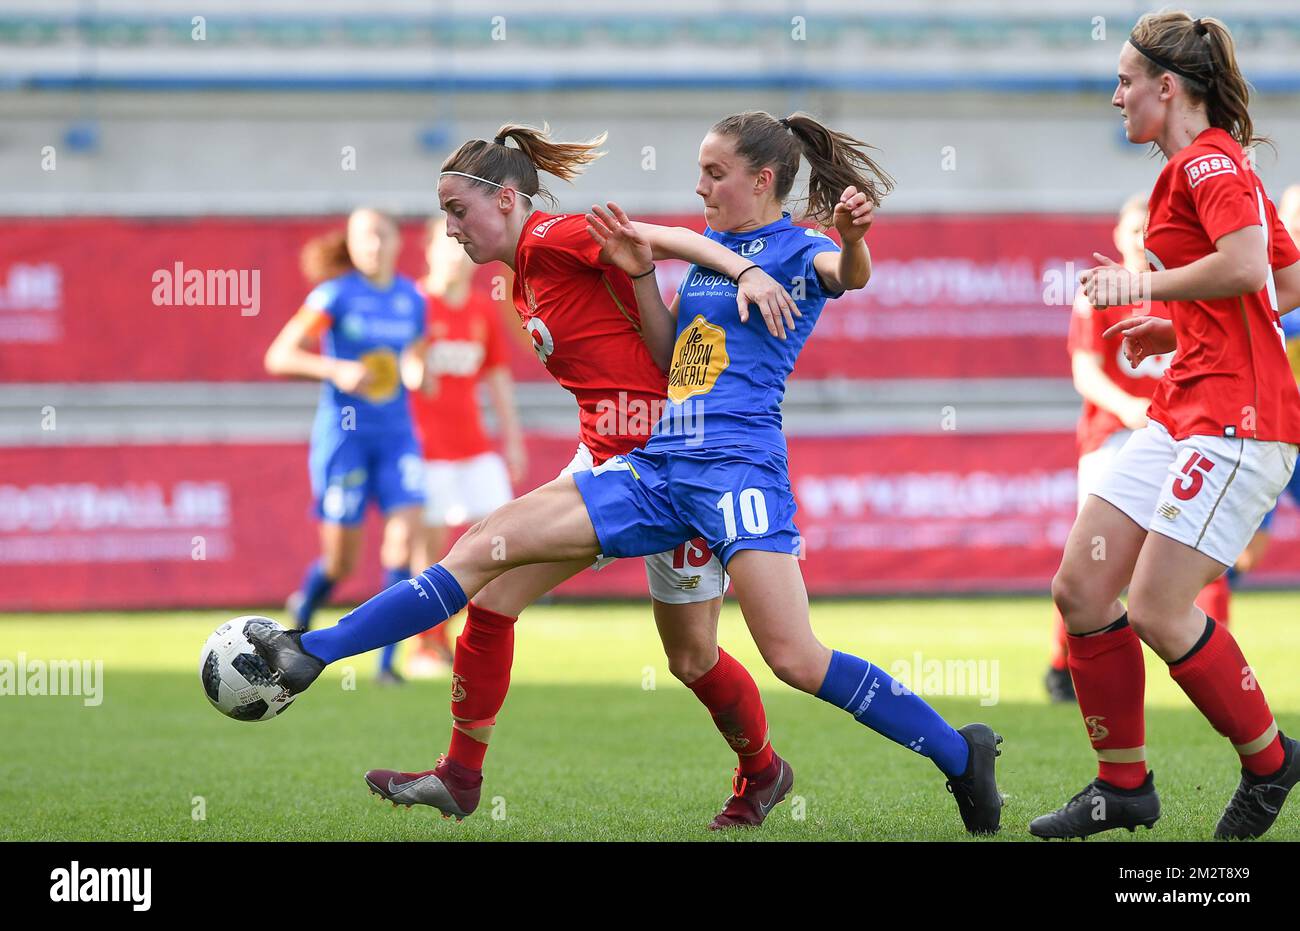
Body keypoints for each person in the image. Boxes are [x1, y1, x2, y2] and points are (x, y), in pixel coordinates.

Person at [250, 111, 1005, 836]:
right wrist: (646, 279)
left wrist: (847, 240)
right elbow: (675, 353)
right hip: (657, 461)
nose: (701, 186)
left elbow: (848, 274)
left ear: (762, 178)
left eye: (715, 173)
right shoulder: (704, 257)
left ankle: (955, 751)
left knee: (788, 658)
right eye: (700, 172)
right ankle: (319, 657)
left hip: (737, 469)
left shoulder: (795, 249)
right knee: (487, 550)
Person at [1032, 11, 1300, 841]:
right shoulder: (1198, 166)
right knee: (1081, 588)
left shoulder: (1210, 159)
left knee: (1155, 608)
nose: (1116, 97)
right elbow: (1285, 285)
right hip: (1183, 410)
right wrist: (1182, 326)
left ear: (1167, 86)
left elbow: (1252, 266)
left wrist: (1145, 290)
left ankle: (1270, 761)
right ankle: (1124, 786)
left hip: (1238, 421)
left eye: (1124, 81)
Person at [1044, 195, 1229, 703]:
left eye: (1148, 230)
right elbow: (1086, 372)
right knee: (1092, 562)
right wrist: (1128, 407)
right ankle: (1064, 665)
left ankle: (1214, 664)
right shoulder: (1100, 294)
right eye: (1132, 230)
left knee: (1191, 549)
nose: (1140, 239)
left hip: (1181, 434)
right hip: (1116, 437)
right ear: (1116, 236)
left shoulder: (1182, 289)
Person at [265, 208, 427, 685]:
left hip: (398, 436)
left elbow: (413, 356)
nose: (372, 245)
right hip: (345, 438)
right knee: (341, 563)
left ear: (398, 241)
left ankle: (385, 667)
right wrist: (334, 369)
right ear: (352, 247)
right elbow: (279, 355)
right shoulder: (334, 295)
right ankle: (303, 612)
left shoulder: (412, 300)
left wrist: (419, 371)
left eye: (380, 235)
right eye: (363, 238)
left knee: (402, 542)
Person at [400, 218, 526, 677]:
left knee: (504, 537)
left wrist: (511, 438)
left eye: (461, 247)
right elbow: (397, 364)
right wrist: (410, 368)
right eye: (447, 245)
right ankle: (425, 643)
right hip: (423, 447)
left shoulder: (479, 309)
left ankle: (474, 633)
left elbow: (496, 377)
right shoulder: (411, 303)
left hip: (474, 444)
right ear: (429, 250)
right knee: (428, 542)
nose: (457, 254)